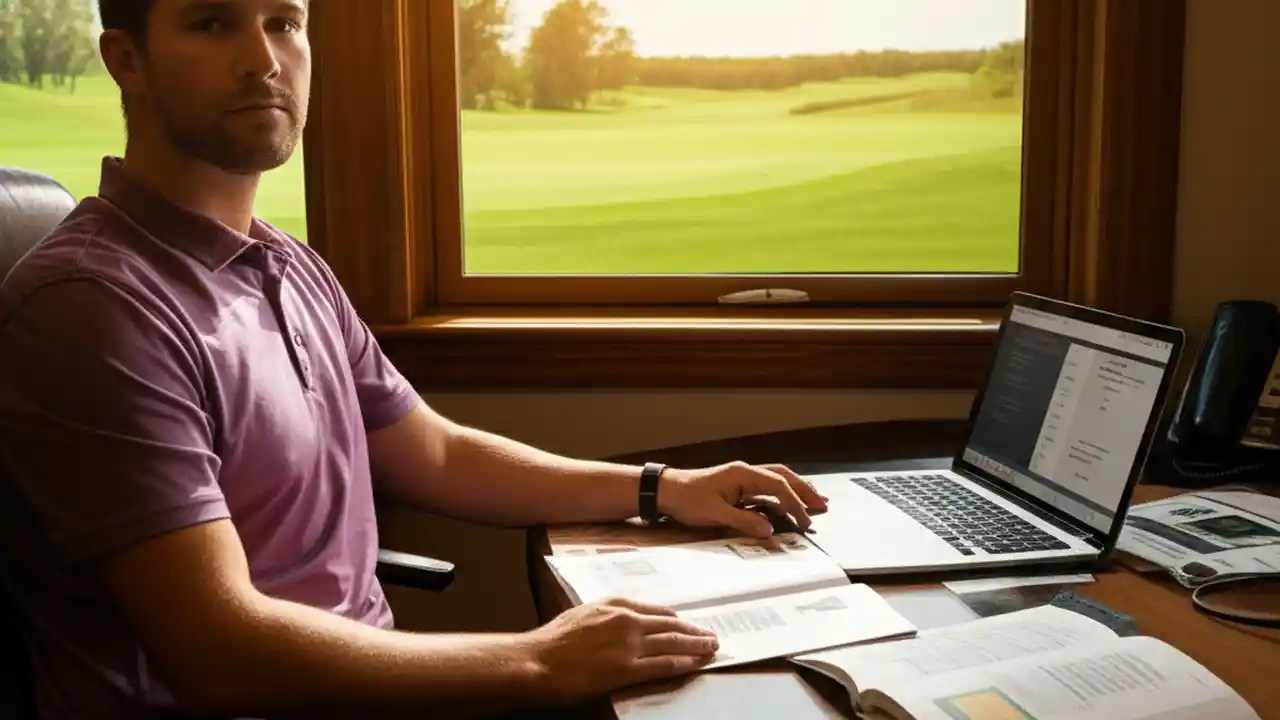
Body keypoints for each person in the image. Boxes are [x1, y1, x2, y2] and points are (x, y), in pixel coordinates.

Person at [0, 1, 828, 717]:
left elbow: (430, 449)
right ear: (127, 60)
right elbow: (219, 652)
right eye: (213, 23)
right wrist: (541, 661)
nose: (263, 59)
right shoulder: (91, 308)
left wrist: (660, 487)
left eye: (285, 23)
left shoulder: (287, 265)